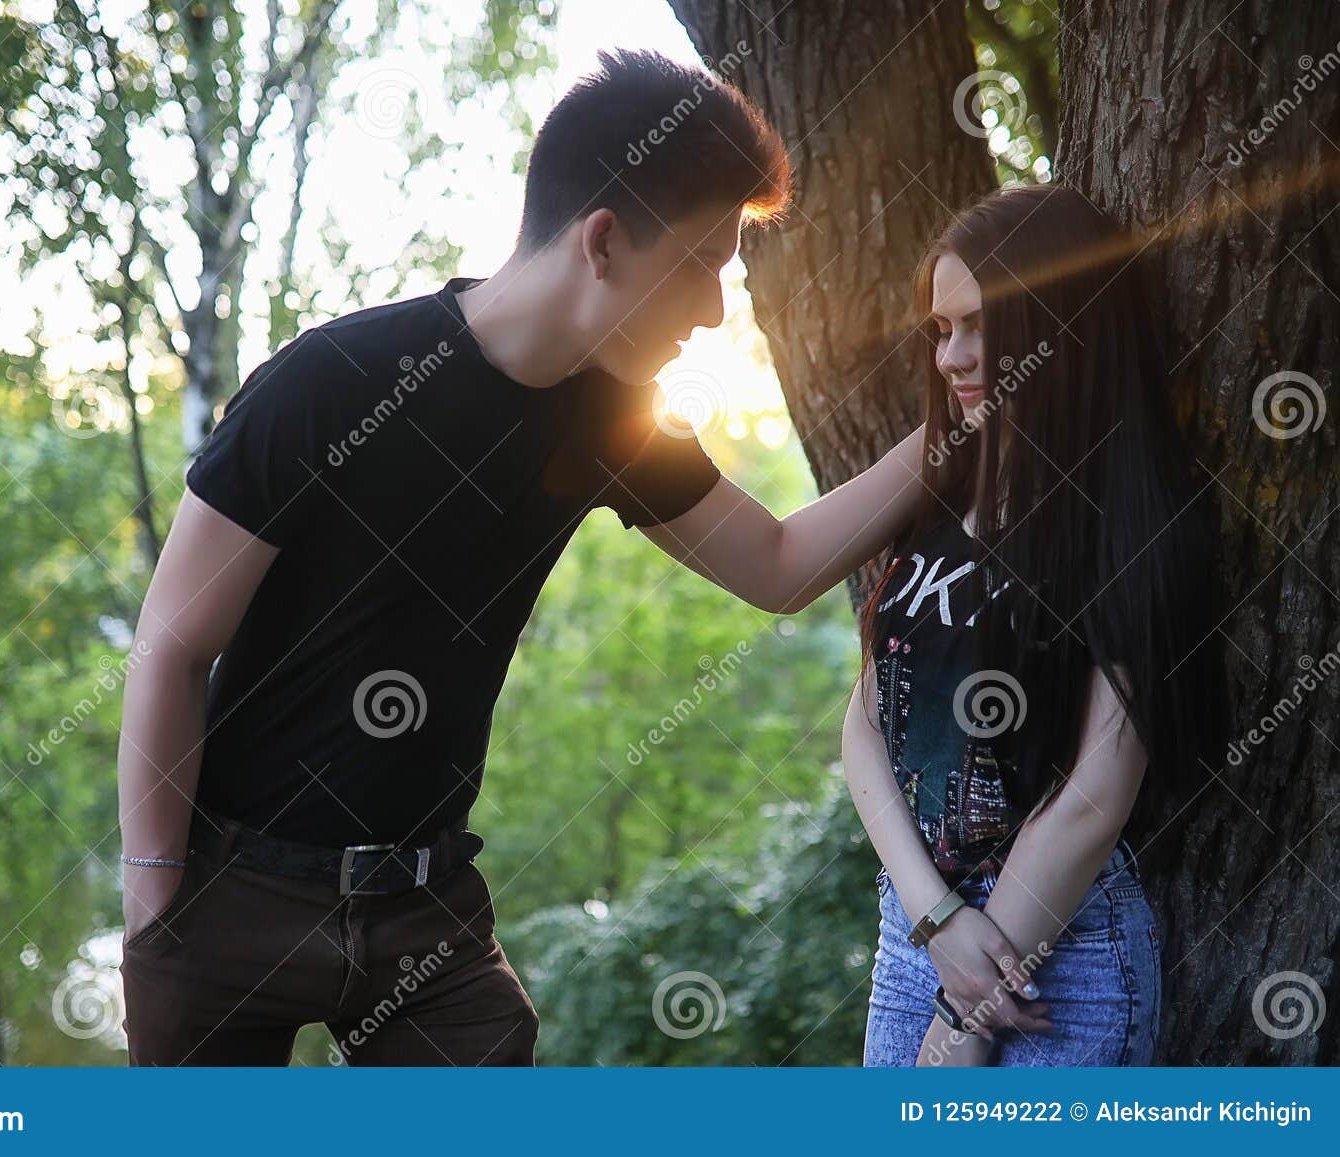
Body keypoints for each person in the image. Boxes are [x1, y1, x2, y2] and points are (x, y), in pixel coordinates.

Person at [117, 48, 928, 1066]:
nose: (714, 310)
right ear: (601, 243)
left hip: (426, 908)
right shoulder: (330, 382)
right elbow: (172, 643)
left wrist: (962, 427)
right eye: (696, 267)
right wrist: (157, 904)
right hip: (236, 886)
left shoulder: (609, 419)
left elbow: (773, 561)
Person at [845, 184, 1222, 1067]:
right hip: (917, 933)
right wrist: (932, 918)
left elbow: (1096, 791)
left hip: (1062, 954)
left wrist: (967, 1011)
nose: (953, 356)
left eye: (980, 325)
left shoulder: (1128, 517)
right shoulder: (945, 495)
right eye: (941, 330)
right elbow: (866, 724)